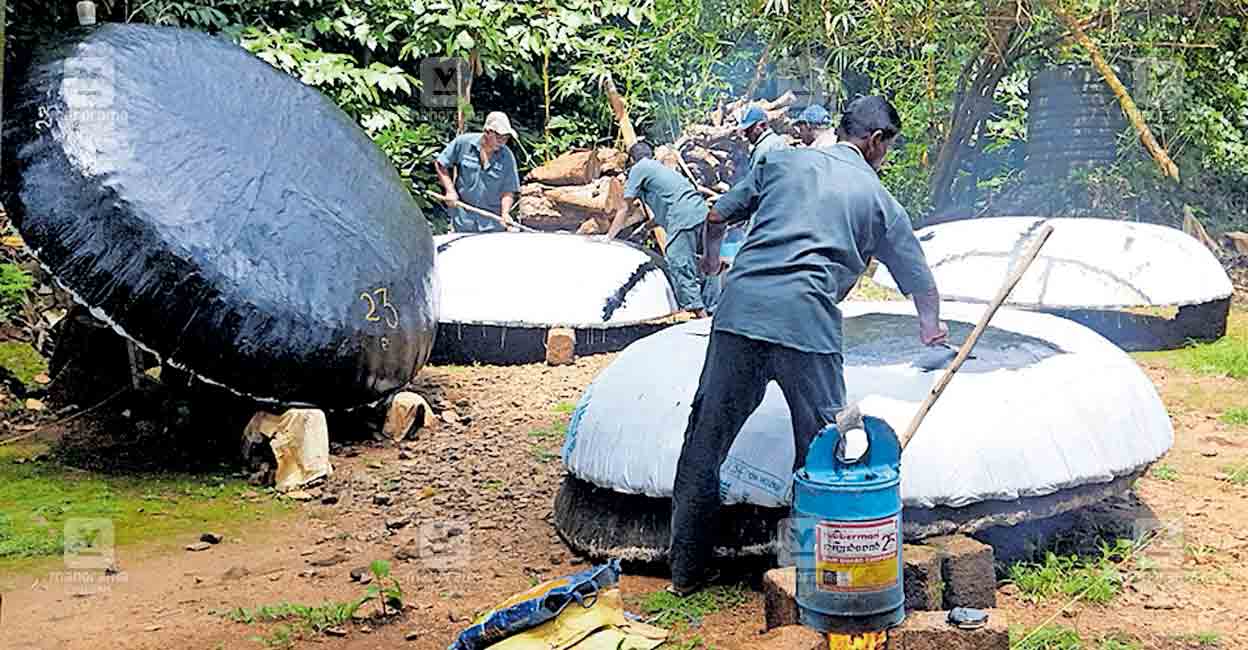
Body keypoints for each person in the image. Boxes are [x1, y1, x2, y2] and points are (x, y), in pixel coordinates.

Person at [666, 96, 947, 595]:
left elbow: (715, 217)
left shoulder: (780, 161)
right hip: (808, 328)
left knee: (704, 442)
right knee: (820, 457)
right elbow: (920, 282)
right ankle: (808, 578)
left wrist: (711, 263)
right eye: (888, 147)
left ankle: (685, 575)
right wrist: (931, 330)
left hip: (741, 315)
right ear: (876, 141)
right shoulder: (879, 200)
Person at [603, 142, 717, 318]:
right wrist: (647, 227)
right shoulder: (660, 169)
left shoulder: (639, 168)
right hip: (700, 211)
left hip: (682, 218)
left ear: (633, 159)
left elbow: (626, 208)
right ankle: (714, 309)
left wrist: (608, 238)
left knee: (678, 261)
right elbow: (671, 201)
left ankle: (702, 318)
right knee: (707, 261)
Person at [434, 111, 522, 233]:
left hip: (492, 224)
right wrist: (450, 191)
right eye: (499, 137)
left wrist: (505, 213)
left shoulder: (506, 156)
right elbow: (441, 164)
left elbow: (508, 190)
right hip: (463, 221)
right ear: (487, 132)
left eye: (506, 138)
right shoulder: (463, 143)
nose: (502, 142)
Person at [738, 106, 787, 172]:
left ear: (763, 125)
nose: (746, 135)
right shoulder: (778, 141)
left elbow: (756, 179)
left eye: (749, 130)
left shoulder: (763, 149)